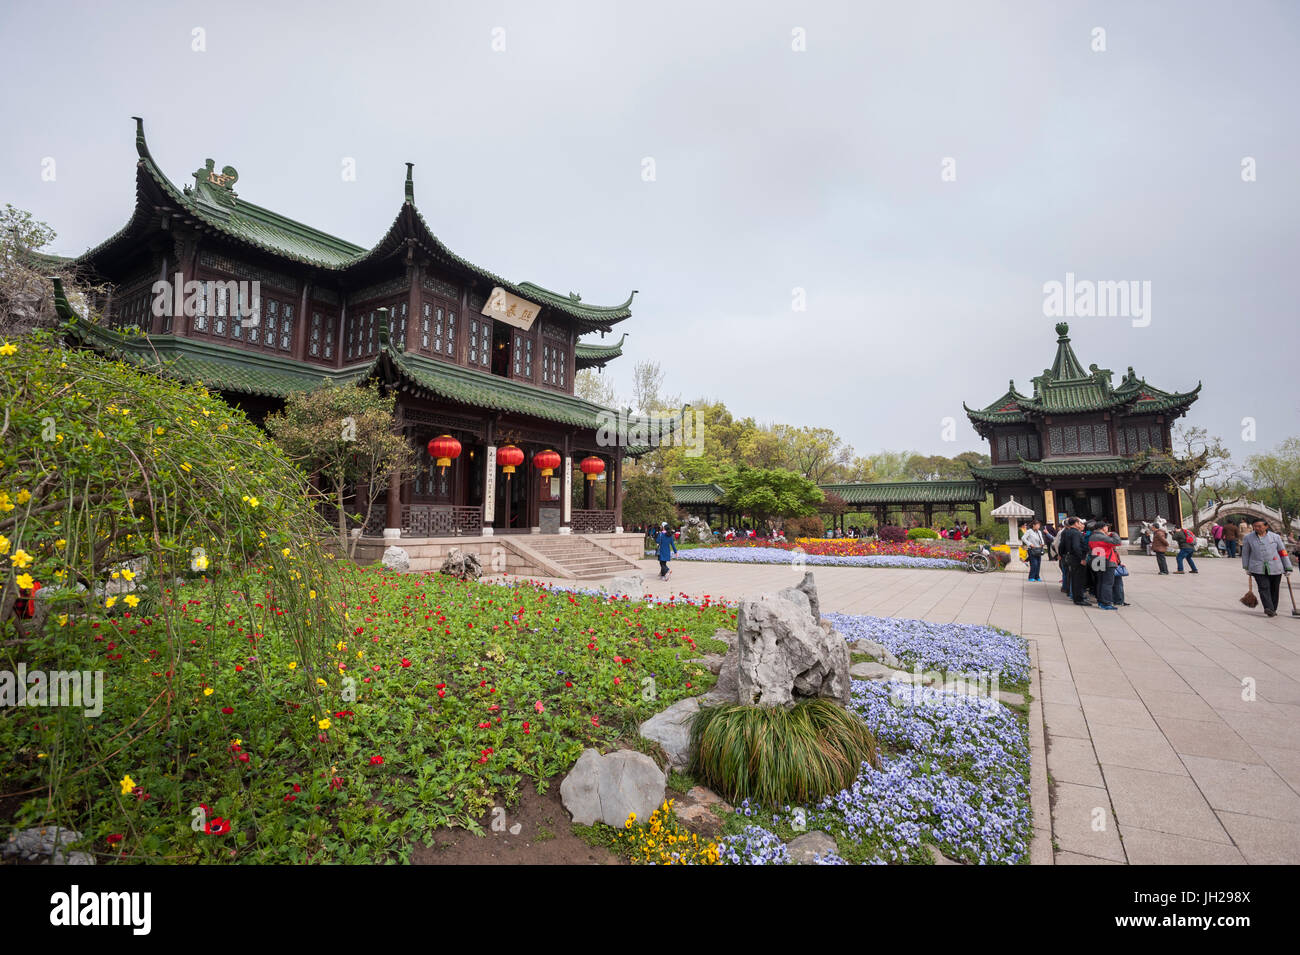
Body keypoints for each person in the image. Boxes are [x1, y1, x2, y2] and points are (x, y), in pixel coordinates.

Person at [1241, 519, 1293, 617]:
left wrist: (1288, 567)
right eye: (1255, 526)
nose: (1256, 528)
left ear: (1266, 526)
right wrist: (1246, 567)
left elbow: (1282, 552)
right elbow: (1245, 553)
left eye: (1259, 526)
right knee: (1263, 587)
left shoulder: (1275, 537)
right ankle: (1268, 608)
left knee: (1274, 589)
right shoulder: (1248, 538)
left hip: (1275, 566)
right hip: (1257, 567)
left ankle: (1273, 608)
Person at [1087, 520, 1127, 609]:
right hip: (1106, 561)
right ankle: (1106, 603)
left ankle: (1101, 601)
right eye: (1106, 527)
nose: (1107, 528)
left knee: (1100, 582)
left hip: (1097, 560)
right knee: (1107, 583)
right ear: (1103, 528)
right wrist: (1114, 533)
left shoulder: (1092, 536)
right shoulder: (1102, 537)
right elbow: (1117, 542)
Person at [1058, 517, 1092, 605]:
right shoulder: (1076, 533)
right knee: (1079, 579)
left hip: (1070, 557)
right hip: (1077, 558)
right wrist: (1082, 558)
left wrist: (1061, 555)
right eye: (1080, 523)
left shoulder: (1066, 532)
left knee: (1074, 578)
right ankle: (1079, 599)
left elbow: (1061, 545)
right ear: (1076, 523)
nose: (1082, 525)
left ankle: (1076, 598)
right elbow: (1076, 547)